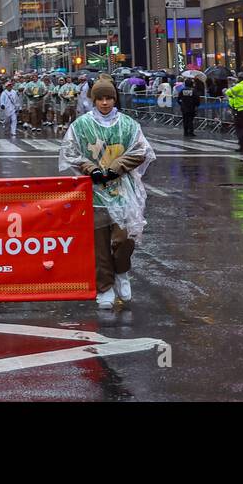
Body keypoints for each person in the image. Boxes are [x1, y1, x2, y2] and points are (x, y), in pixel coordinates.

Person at [58, 77, 155, 310]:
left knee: (125, 238)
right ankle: (105, 287)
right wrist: (91, 169)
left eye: (108, 98)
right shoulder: (81, 125)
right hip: (95, 191)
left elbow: (142, 150)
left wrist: (115, 168)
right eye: (100, 98)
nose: (104, 103)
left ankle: (121, 271)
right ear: (93, 99)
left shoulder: (128, 124)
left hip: (123, 190)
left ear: (114, 98)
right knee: (100, 243)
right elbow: (70, 151)